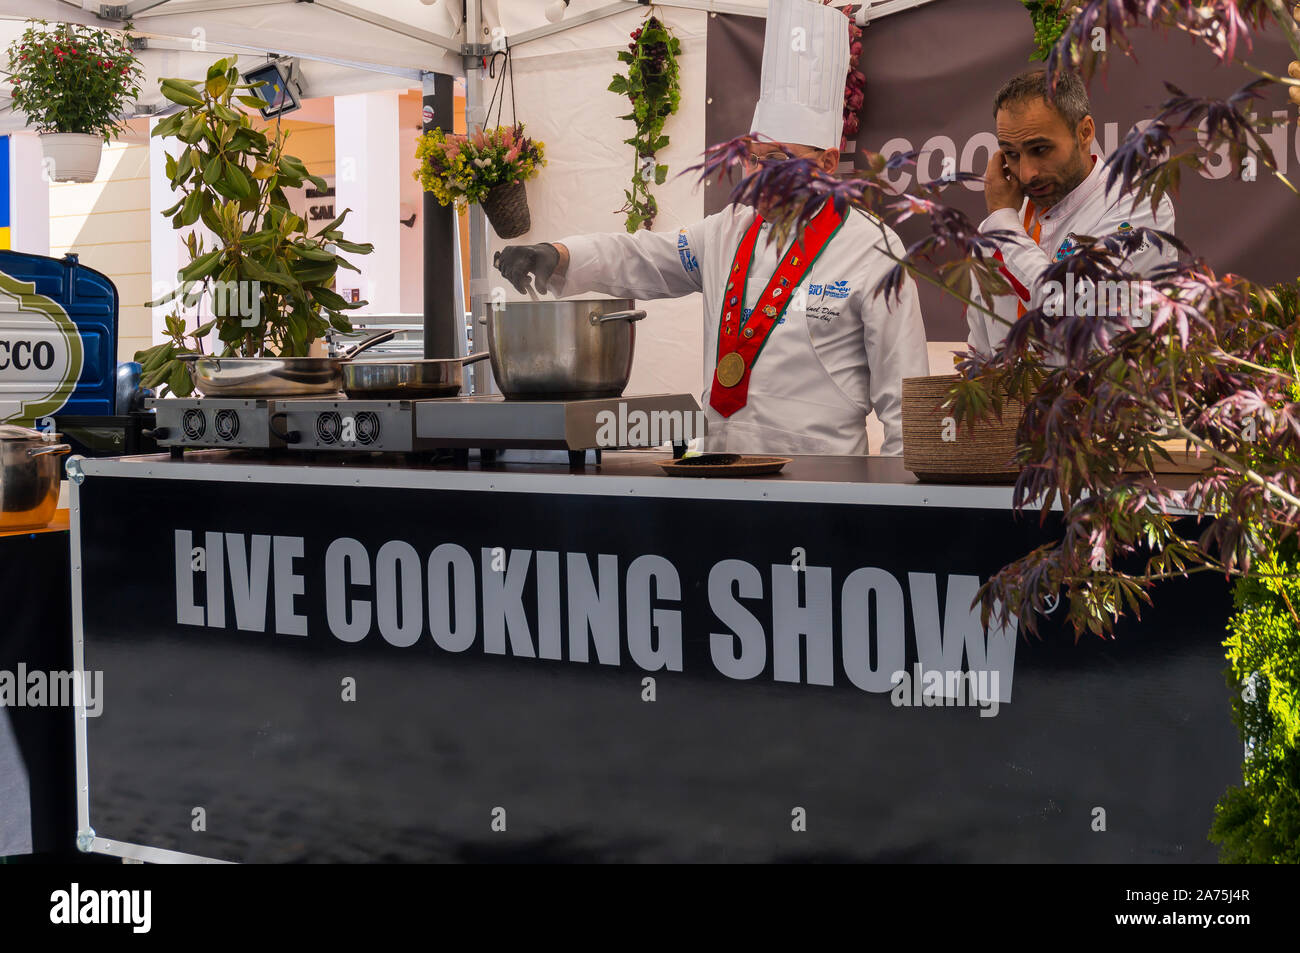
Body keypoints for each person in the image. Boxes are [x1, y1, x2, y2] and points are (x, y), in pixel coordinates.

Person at [495, 0, 928, 456]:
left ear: (827, 162)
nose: (759, 173)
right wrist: (559, 254)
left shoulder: (873, 248)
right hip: (722, 472)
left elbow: (906, 402)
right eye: (753, 157)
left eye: (778, 159)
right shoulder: (728, 231)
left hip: (826, 486)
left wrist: (893, 505)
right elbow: (641, 257)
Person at [967, 68, 1178, 355]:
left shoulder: (1139, 205)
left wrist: (1004, 226)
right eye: (1011, 154)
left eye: (1040, 149)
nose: (1027, 174)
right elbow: (980, 350)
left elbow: (1077, 317)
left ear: (1084, 132)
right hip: (1006, 401)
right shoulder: (997, 227)